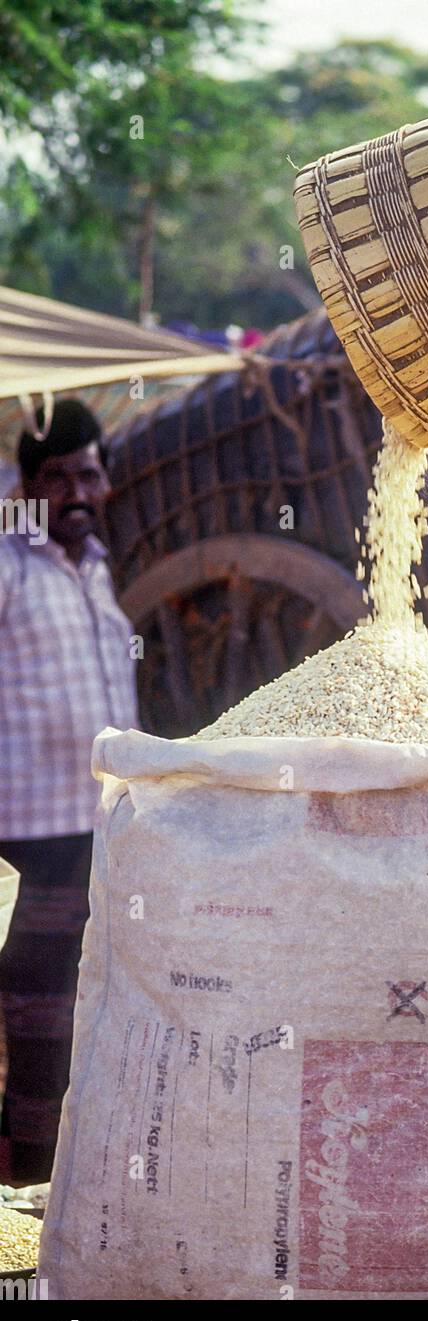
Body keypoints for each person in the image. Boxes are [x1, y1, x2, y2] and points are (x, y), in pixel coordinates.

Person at [0, 399, 139, 1184]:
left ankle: (66, 1188)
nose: (78, 492)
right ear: (24, 489)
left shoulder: (95, 570)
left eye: (89, 474)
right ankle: (23, 1193)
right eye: (55, 480)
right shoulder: (7, 564)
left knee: (85, 1015)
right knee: (38, 1020)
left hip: (101, 835)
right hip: (25, 842)